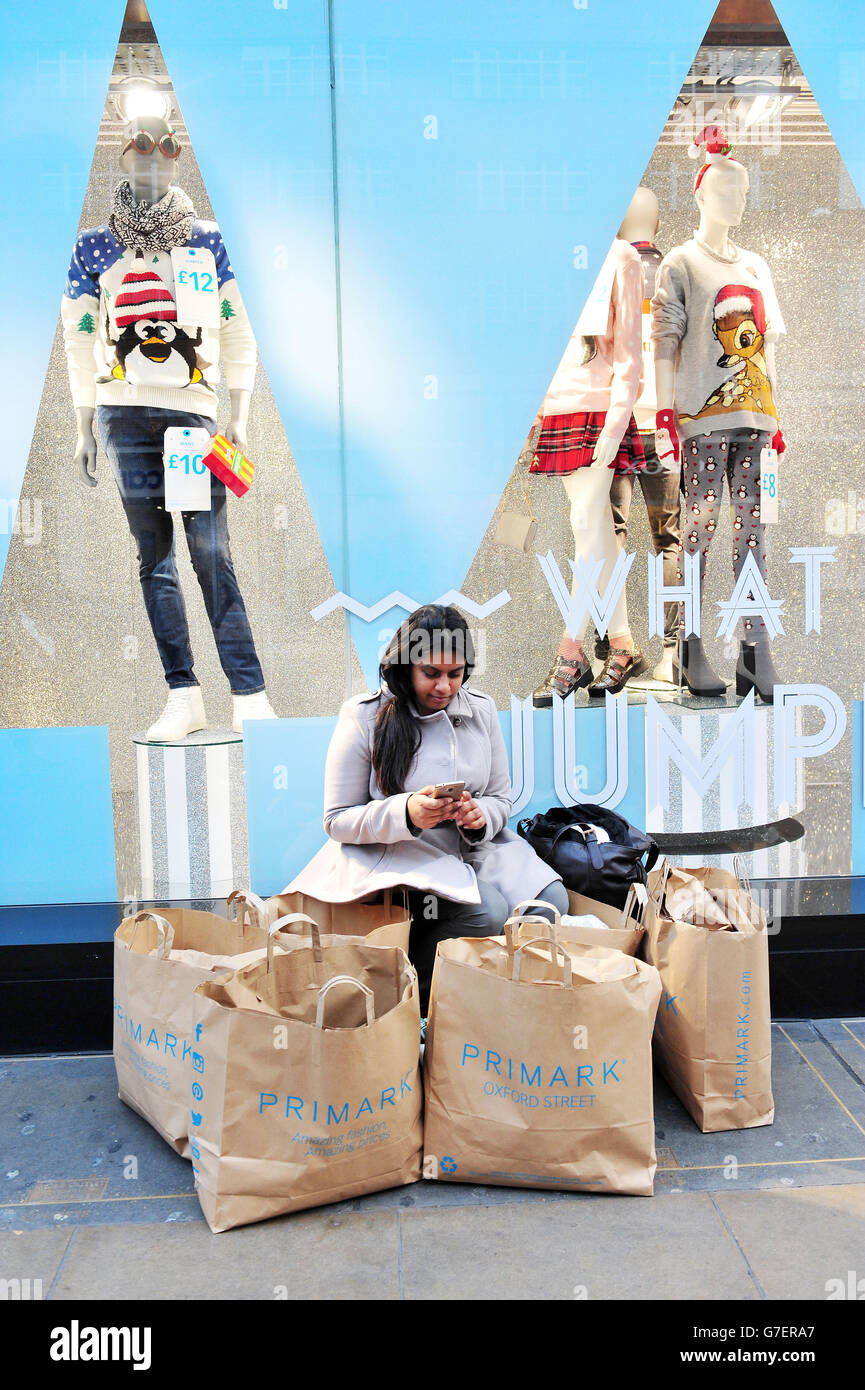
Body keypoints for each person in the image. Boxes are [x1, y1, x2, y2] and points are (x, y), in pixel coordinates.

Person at [60, 101, 277, 740]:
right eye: (137, 145)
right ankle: (183, 691)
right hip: (123, 413)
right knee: (153, 558)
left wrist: (239, 412)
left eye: (162, 145)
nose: (150, 155)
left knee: (211, 551)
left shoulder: (207, 238)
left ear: (176, 155)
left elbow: (237, 329)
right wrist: (82, 422)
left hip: (192, 416)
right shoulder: (96, 246)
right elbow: (78, 336)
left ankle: (249, 691)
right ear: (122, 155)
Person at [284, 604, 569, 1010]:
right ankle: (416, 997)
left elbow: (501, 797)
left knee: (550, 901)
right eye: (431, 674)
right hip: (396, 858)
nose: (445, 688)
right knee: (486, 912)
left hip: (470, 849)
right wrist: (406, 813)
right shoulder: (364, 715)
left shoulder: (480, 709)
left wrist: (479, 818)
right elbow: (337, 819)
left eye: (455, 675)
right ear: (406, 667)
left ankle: (496, 999)